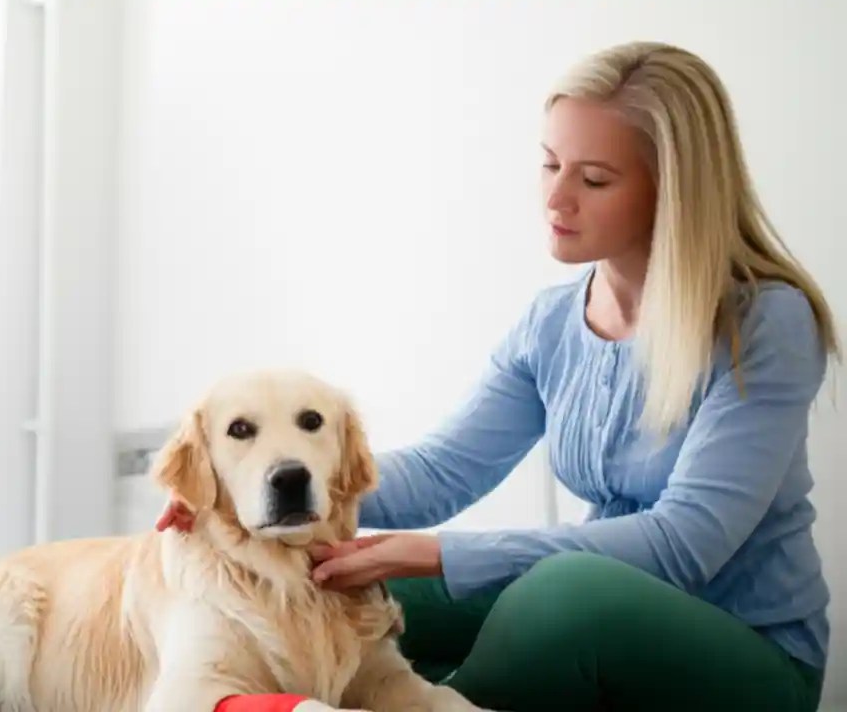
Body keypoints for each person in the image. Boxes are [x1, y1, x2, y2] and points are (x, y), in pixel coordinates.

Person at [157, 41, 837, 712]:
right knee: (342, 592)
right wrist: (253, 486)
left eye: (594, 179)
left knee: (563, 595)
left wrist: (437, 554)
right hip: (598, 602)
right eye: (550, 165)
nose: (557, 198)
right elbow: (445, 470)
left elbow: (684, 543)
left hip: (747, 657)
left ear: (675, 192)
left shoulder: (767, 324)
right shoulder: (552, 323)